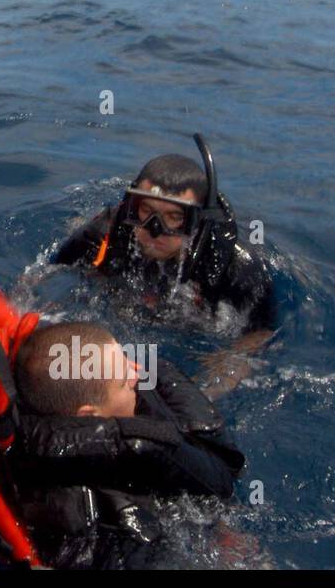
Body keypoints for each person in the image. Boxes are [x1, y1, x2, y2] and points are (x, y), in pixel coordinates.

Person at [8, 322, 245, 570]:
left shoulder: (59, 399)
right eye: (123, 381)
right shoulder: (85, 516)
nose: (136, 374)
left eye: (126, 360)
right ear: (90, 416)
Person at [51, 135, 276, 396]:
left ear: (197, 221)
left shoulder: (239, 269)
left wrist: (217, 379)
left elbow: (260, 332)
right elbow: (43, 278)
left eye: (175, 218)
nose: (155, 230)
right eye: (146, 211)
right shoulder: (100, 236)